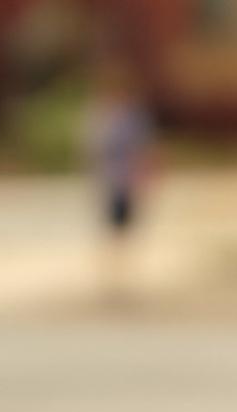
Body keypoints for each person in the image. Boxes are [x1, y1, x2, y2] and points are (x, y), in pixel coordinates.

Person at [85, 58, 153, 301]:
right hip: (110, 179)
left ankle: (122, 272)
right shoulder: (102, 116)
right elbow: (92, 149)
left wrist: (143, 176)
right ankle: (113, 274)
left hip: (125, 179)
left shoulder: (131, 117)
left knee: (124, 229)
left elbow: (142, 148)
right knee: (112, 228)